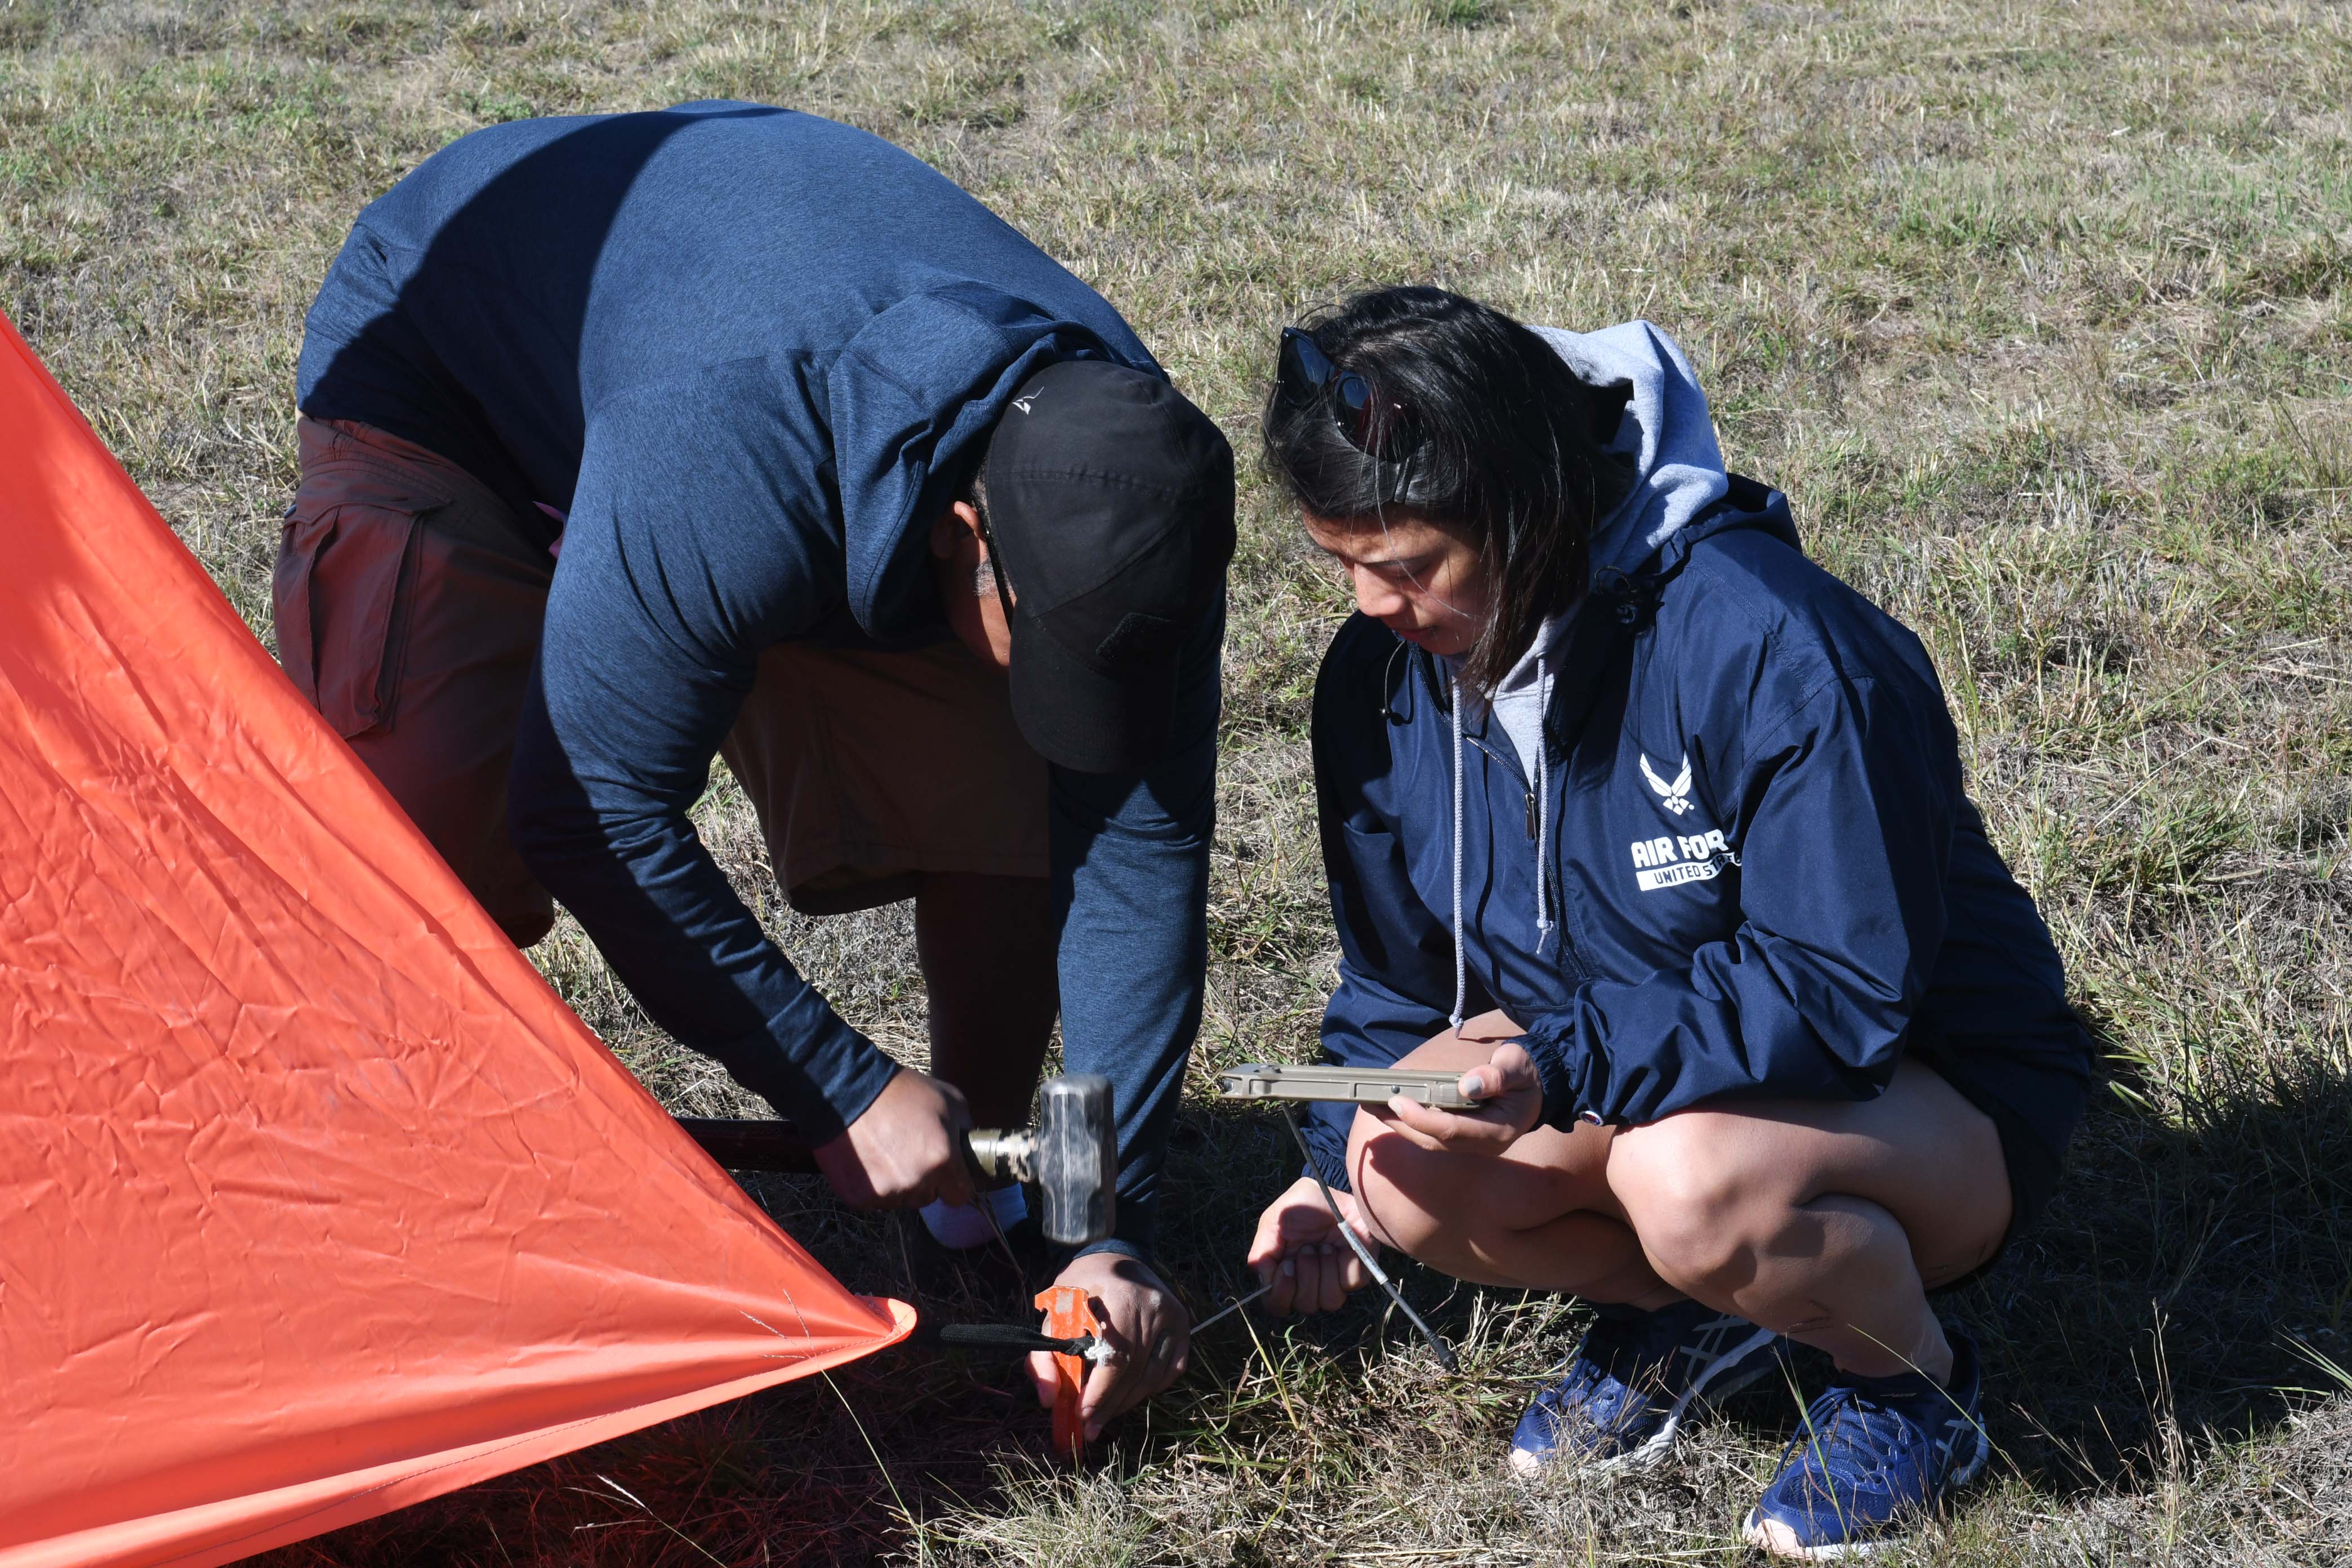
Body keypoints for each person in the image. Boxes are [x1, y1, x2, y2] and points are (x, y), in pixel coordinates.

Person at [278, 101, 1235, 1438]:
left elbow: (1139, 836)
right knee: (423, 861)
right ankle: (387, 1268)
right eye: (1043, 647)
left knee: (1013, 771)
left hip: (749, 392)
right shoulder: (725, 448)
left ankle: (988, 1190)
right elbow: (591, 810)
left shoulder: (1135, 482)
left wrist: (1107, 1223)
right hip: (463, 382)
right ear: (968, 533)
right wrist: (833, 1084)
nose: (1062, 682)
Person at [1244, 287, 2093, 1556]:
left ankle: (1910, 1387)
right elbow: (1396, 975)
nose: (1371, 606)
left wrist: (1564, 1062)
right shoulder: (1382, 681)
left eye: (1407, 566)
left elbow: (1841, 992)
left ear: (1526, 511)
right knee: (1396, 1163)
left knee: (1685, 1179)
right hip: (1629, 1079)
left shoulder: (1773, 644)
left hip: (1922, 1104)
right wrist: (1325, 1177)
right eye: (1342, 565)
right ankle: (1697, 1313)